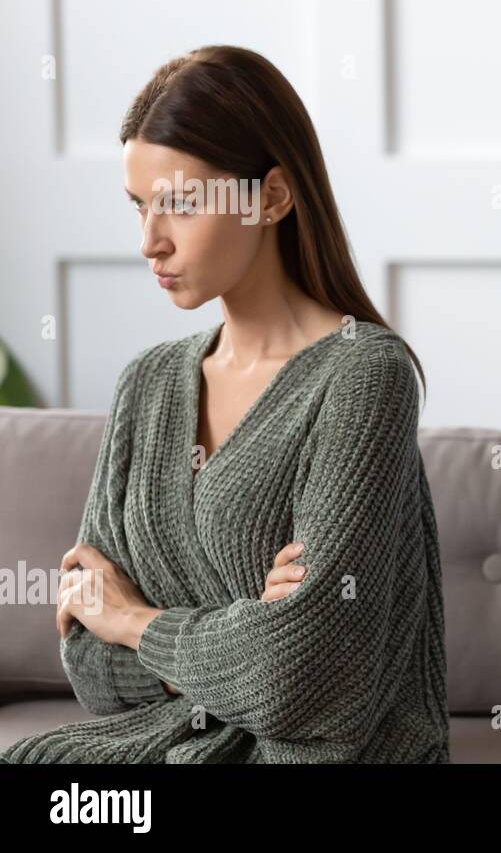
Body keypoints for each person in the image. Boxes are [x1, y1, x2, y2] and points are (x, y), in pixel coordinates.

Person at [1, 46, 449, 763]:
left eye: (180, 202)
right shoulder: (146, 385)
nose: (150, 240)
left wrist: (135, 619)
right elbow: (89, 668)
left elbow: (312, 678)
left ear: (271, 196)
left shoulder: (365, 375)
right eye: (140, 206)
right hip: (165, 747)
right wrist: (244, 638)